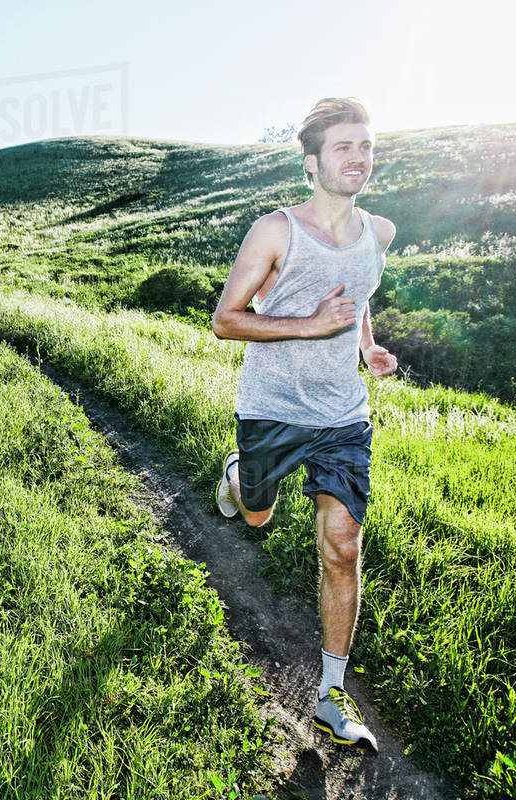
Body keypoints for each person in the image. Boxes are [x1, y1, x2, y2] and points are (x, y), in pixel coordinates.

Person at [210, 97, 398, 754]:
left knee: (342, 545)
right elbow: (227, 319)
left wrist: (363, 347)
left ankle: (330, 697)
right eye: (345, 147)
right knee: (256, 517)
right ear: (313, 164)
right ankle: (239, 479)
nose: (360, 158)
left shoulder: (379, 232)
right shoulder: (275, 231)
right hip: (272, 408)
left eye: (367, 147)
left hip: (343, 415)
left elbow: (361, 293)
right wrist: (309, 325)